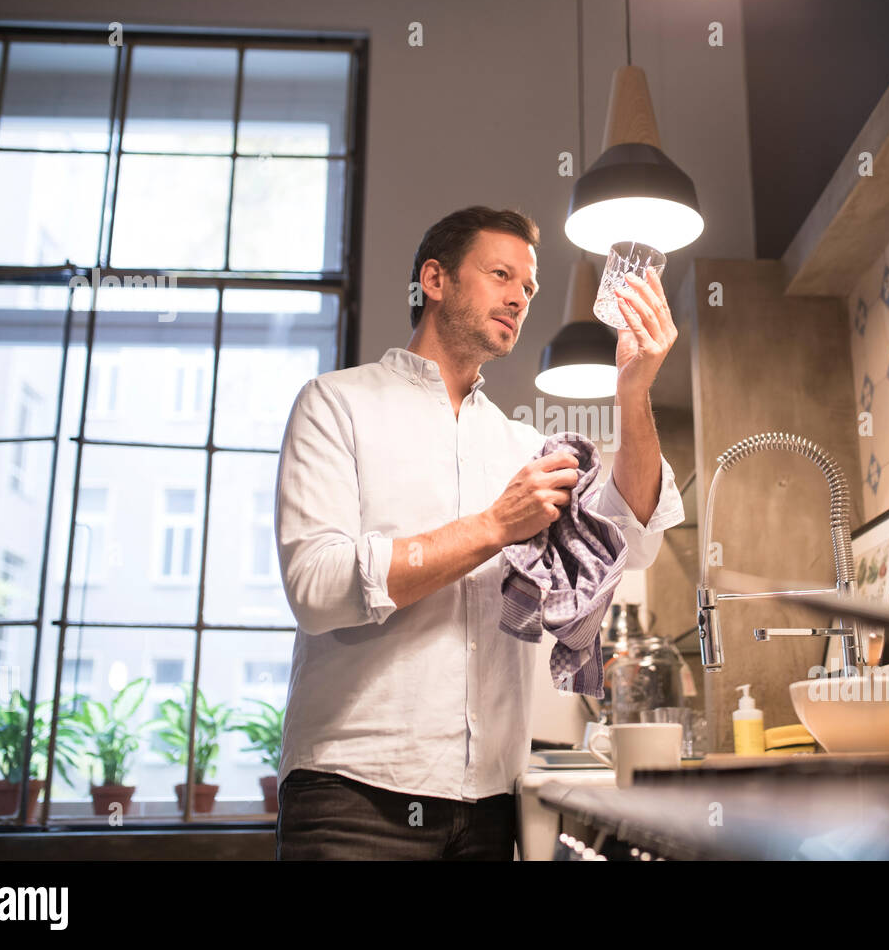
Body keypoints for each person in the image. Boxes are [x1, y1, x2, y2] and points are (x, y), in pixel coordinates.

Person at [273, 205, 685, 860]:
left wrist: (633, 391)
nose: (519, 297)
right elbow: (316, 588)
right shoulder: (336, 404)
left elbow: (629, 540)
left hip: (491, 804)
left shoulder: (524, 446)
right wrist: (495, 525)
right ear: (434, 280)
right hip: (352, 796)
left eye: (529, 288)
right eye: (501, 275)